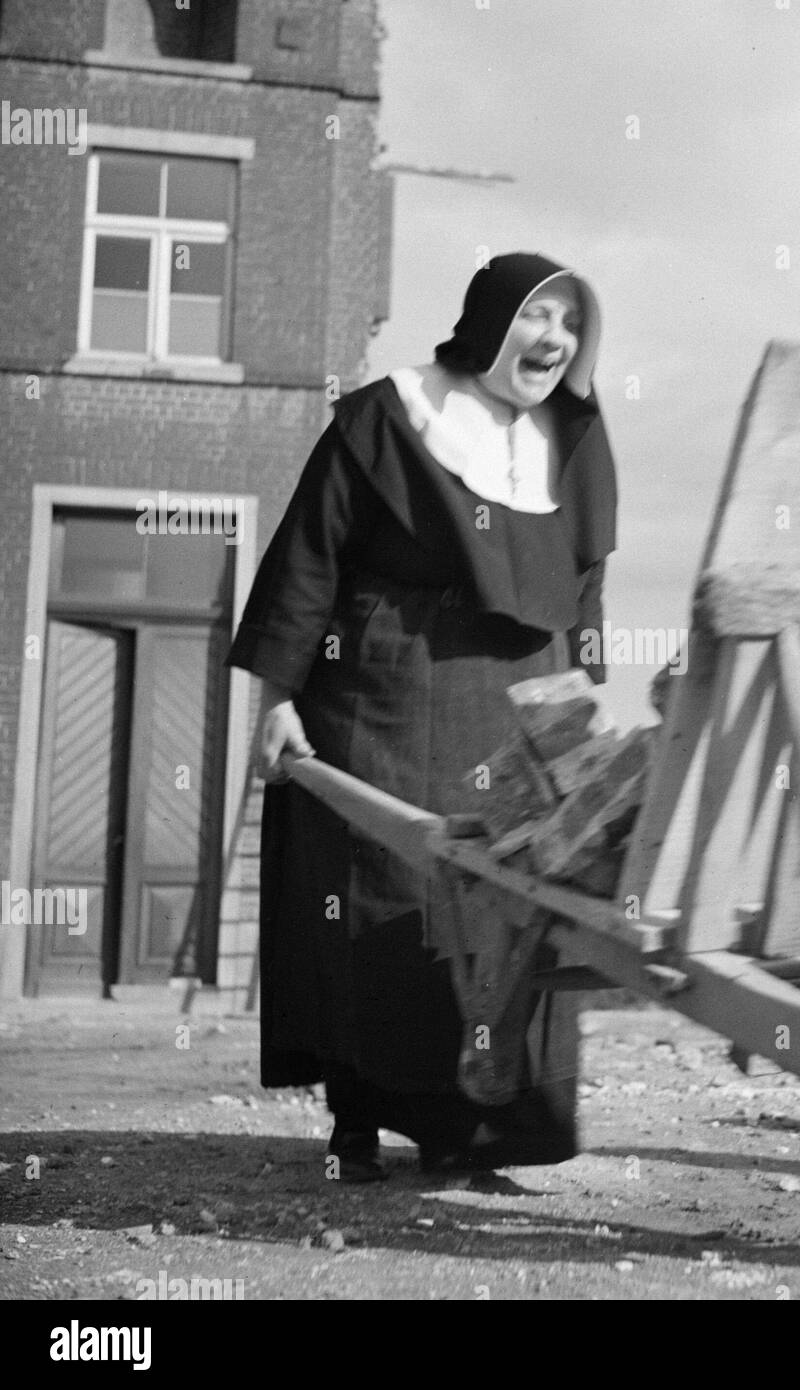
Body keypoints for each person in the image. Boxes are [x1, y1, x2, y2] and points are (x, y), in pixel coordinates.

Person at [227, 252, 617, 1181]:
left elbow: (586, 578)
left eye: (570, 322)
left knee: (510, 912)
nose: (554, 339)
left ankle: (475, 1130)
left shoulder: (575, 439)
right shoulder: (386, 416)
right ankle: (358, 1120)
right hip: (384, 689)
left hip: (522, 703)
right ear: (489, 321)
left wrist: (587, 692)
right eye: (537, 316)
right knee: (384, 895)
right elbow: (309, 560)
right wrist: (276, 695)